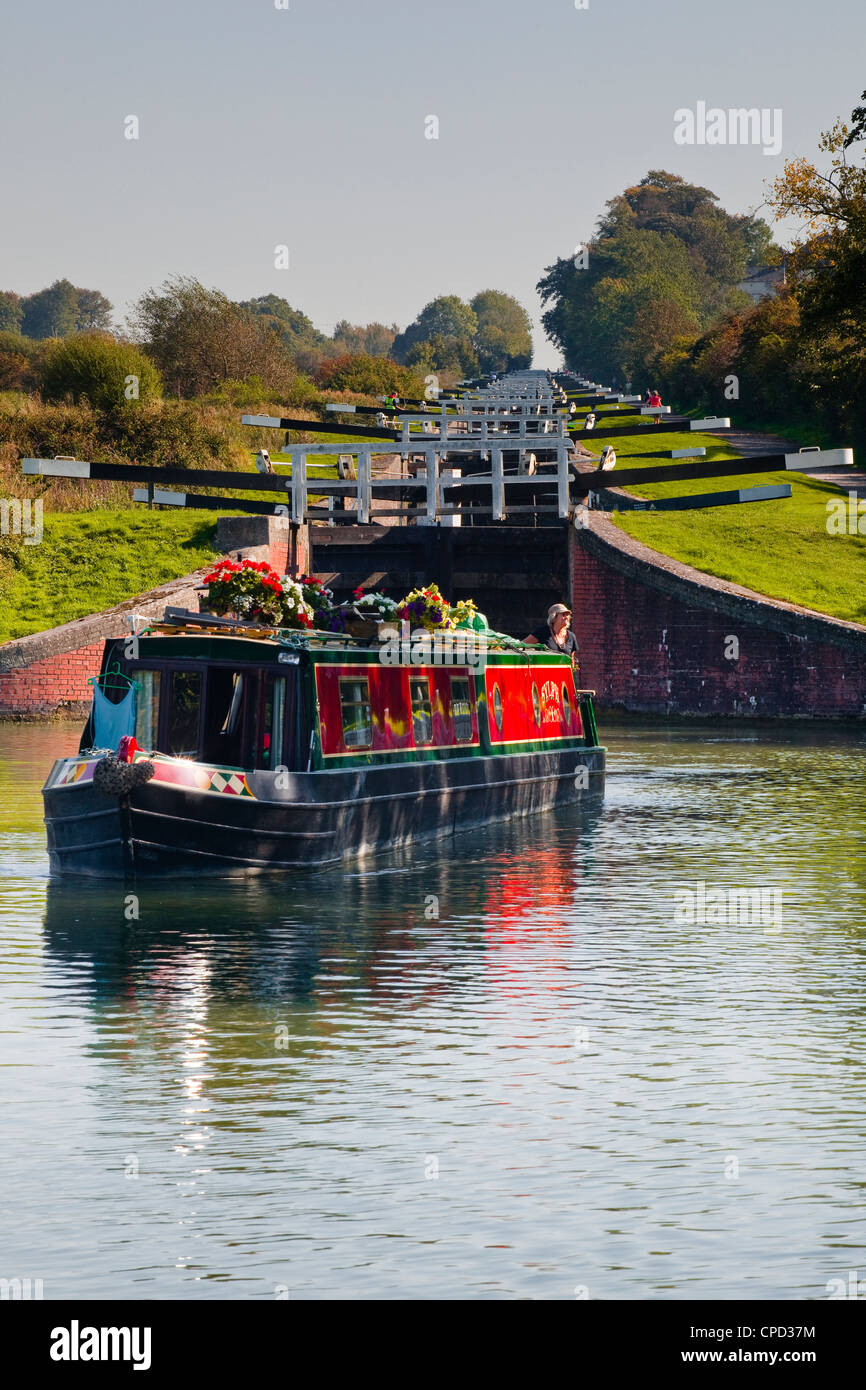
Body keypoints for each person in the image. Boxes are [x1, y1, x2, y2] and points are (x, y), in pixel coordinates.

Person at [525, 603, 579, 670]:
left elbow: (572, 659)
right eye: (563, 614)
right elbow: (523, 646)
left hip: (563, 677)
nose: (567, 617)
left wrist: (572, 670)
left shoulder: (571, 636)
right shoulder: (542, 632)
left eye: (568, 615)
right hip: (544, 674)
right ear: (554, 617)